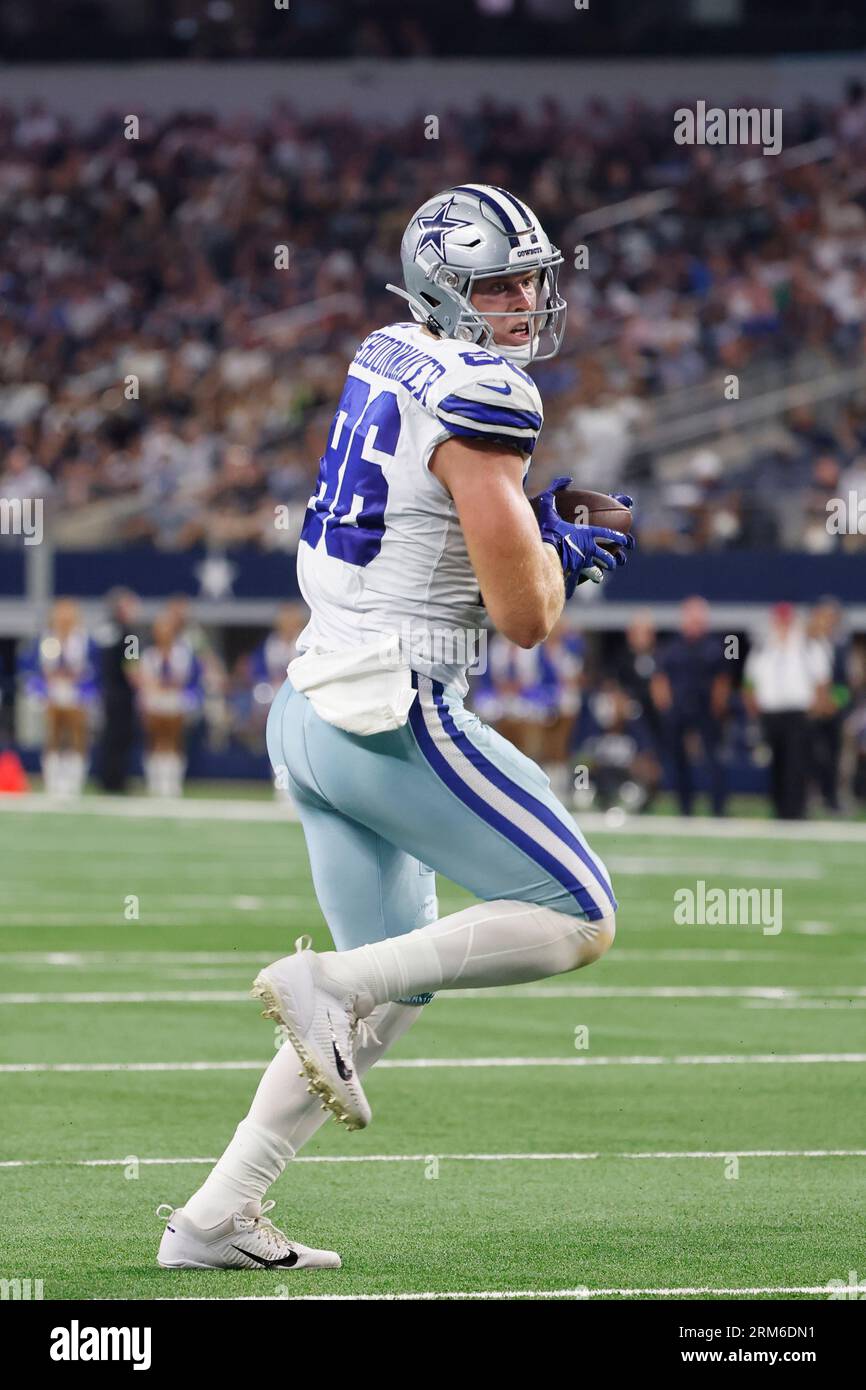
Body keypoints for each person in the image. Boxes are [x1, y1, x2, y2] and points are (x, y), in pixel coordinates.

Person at [157, 184, 634, 1272]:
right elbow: (523, 620)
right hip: (392, 708)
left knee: (393, 979)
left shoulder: (387, 346)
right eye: (494, 284)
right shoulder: (484, 393)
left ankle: (215, 1216)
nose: (521, 302)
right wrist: (558, 558)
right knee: (576, 915)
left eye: (527, 278)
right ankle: (327, 982)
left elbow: (438, 527)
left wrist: (523, 531)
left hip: (311, 708)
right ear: (440, 289)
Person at [743, 602, 831, 819]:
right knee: (777, 763)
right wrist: (752, 708)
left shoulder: (807, 644)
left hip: (797, 712)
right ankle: (779, 809)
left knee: (796, 763)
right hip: (770, 713)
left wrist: (818, 706)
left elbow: (822, 678)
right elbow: (749, 679)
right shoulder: (763, 645)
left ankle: (796, 811)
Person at [651, 596, 731, 816]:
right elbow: (660, 678)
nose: (694, 622)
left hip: (707, 709)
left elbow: (722, 680)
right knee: (678, 760)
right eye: (691, 617)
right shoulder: (671, 648)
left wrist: (718, 707)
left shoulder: (715, 647)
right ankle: (685, 808)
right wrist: (665, 707)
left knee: (713, 759)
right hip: (678, 709)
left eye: (698, 618)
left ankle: (718, 808)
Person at [22, 598, 98, 797]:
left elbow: (96, 669)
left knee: (77, 734)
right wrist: (39, 689)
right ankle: (52, 778)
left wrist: (84, 685)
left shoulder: (85, 641)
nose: (64, 619)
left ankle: (75, 778)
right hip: (52, 692)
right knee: (53, 734)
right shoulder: (45, 639)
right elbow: (31, 667)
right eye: (60, 614)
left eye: (68, 615)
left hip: (78, 692)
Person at [95, 588, 140, 794]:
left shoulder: (105, 630)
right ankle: (117, 780)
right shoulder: (131, 635)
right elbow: (132, 668)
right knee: (121, 737)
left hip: (107, 690)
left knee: (109, 736)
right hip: (123, 693)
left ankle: (106, 779)